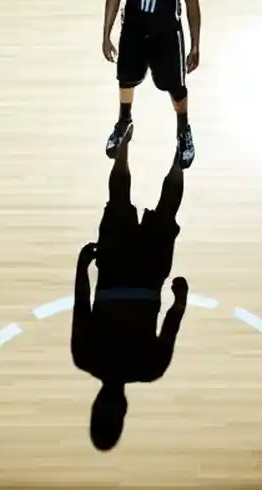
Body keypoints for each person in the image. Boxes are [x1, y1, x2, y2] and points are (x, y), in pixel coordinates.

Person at [70, 126, 189, 450]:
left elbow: (81, 308)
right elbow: (81, 306)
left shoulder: (147, 368)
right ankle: (162, 151)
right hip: (131, 272)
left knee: (142, 203)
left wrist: (180, 301)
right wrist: (81, 267)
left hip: (133, 273)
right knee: (142, 203)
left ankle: (165, 152)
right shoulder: (92, 358)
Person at [102, 0, 201, 169]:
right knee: (125, 80)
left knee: (176, 89)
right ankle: (124, 121)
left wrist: (195, 45)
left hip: (167, 36)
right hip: (133, 32)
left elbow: (193, 6)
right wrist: (106, 34)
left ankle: (183, 131)